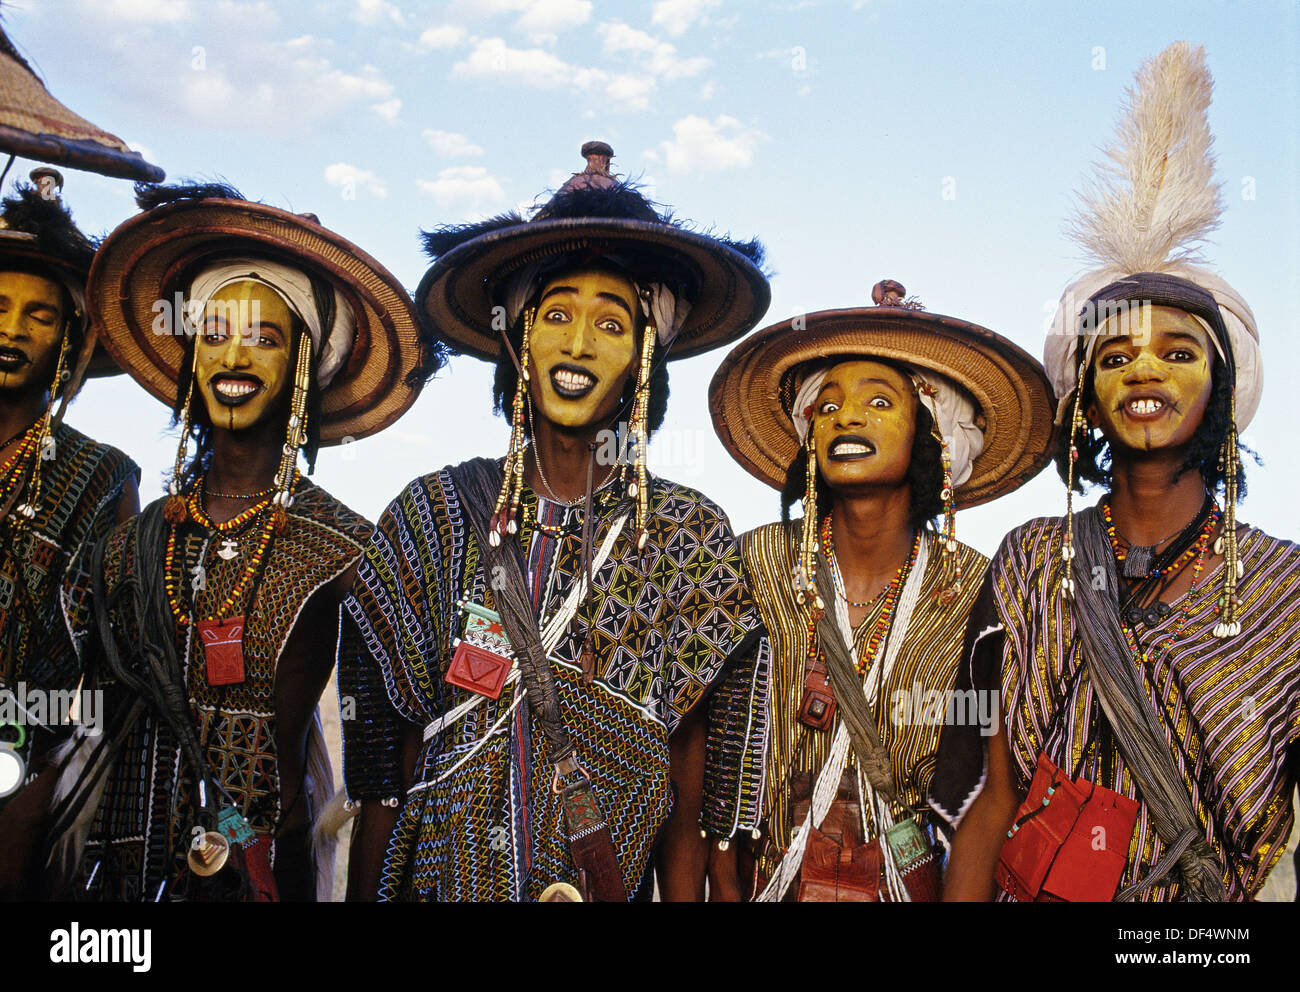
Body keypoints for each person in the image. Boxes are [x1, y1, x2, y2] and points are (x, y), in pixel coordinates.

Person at [340, 143, 770, 901]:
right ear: (519, 341)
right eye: (558, 314)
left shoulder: (685, 537)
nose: (576, 343)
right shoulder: (431, 516)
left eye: (611, 323)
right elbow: (389, 780)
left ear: (644, 356)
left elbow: (684, 808)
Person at [932, 42, 1300, 902]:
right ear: (1086, 401)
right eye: (1117, 356)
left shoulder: (1285, 587)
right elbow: (990, 795)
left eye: (1177, 353)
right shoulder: (1029, 560)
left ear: (1218, 389)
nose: (1144, 372)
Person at [51, 182, 428, 901]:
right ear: (191, 355)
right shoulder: (127, 545)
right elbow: (62, 721)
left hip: (258, 873)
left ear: (303, 366)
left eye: (265, 339)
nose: (234, 357)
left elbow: (393, 749)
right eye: (215, 333)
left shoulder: (345, 548)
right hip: (114, 875)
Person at [702, 281, 1054, 900]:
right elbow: (708, 746)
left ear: (931, 437)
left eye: (880, 402)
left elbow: (995, 790)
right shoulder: (755, 561)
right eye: (828, 404)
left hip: (908, 881)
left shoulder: (977, 589)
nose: (848, 417)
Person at [0, 171, 139, 898]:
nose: (11, 328)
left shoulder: (101, 477)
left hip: (24, 765)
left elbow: (108, 676)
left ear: (68, 340)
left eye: (39, 315)